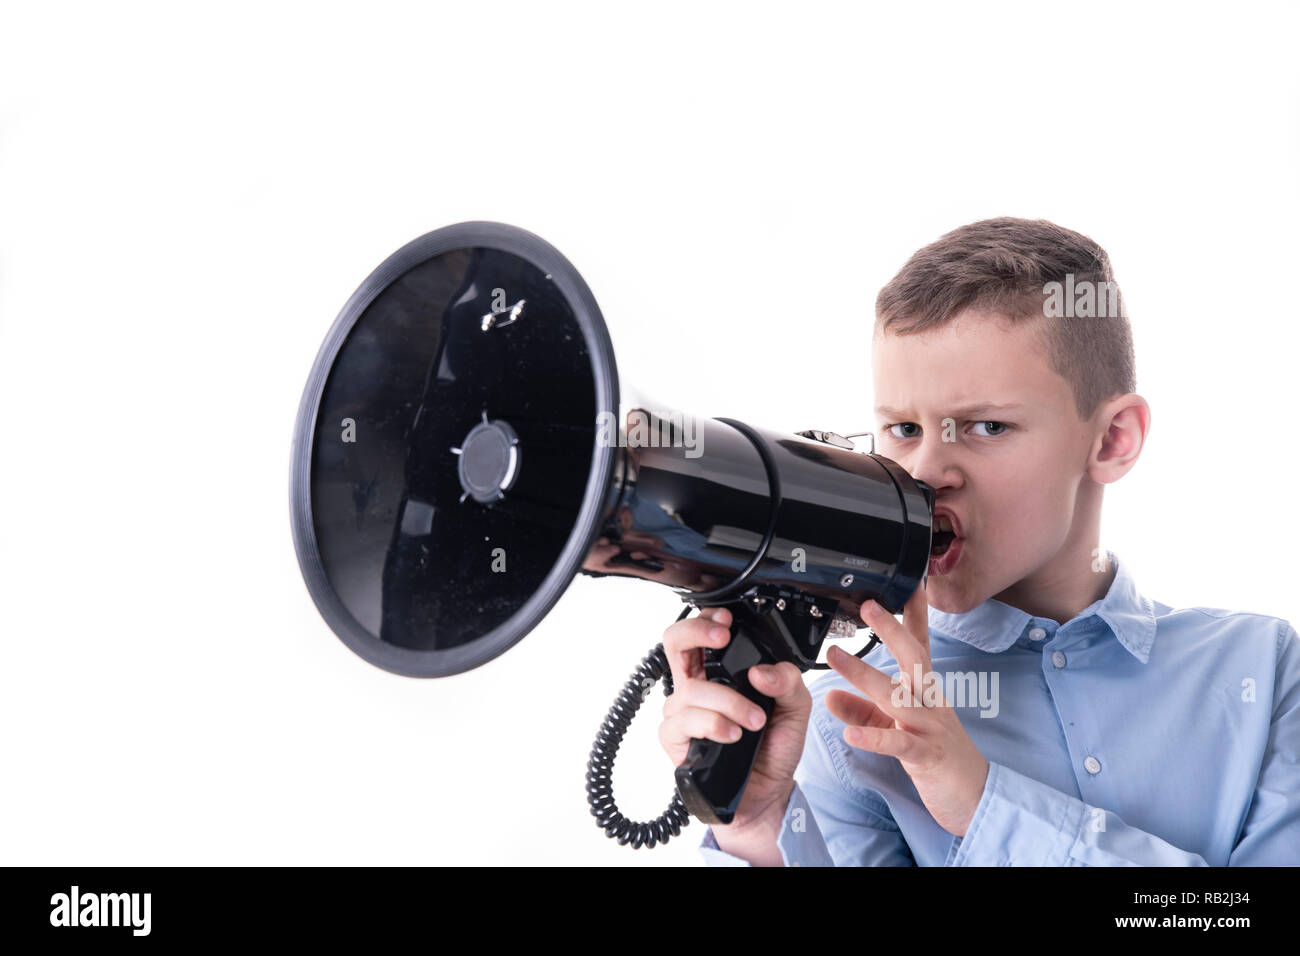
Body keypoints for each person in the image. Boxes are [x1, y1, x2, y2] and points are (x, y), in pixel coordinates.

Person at [657, 217, 1300, 865]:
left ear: (1111, 440)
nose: (928, 473)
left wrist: (982, 803)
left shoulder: (1264, 670)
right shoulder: (852, 723)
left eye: (987, 426)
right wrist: (764, 831)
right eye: (904, 428)